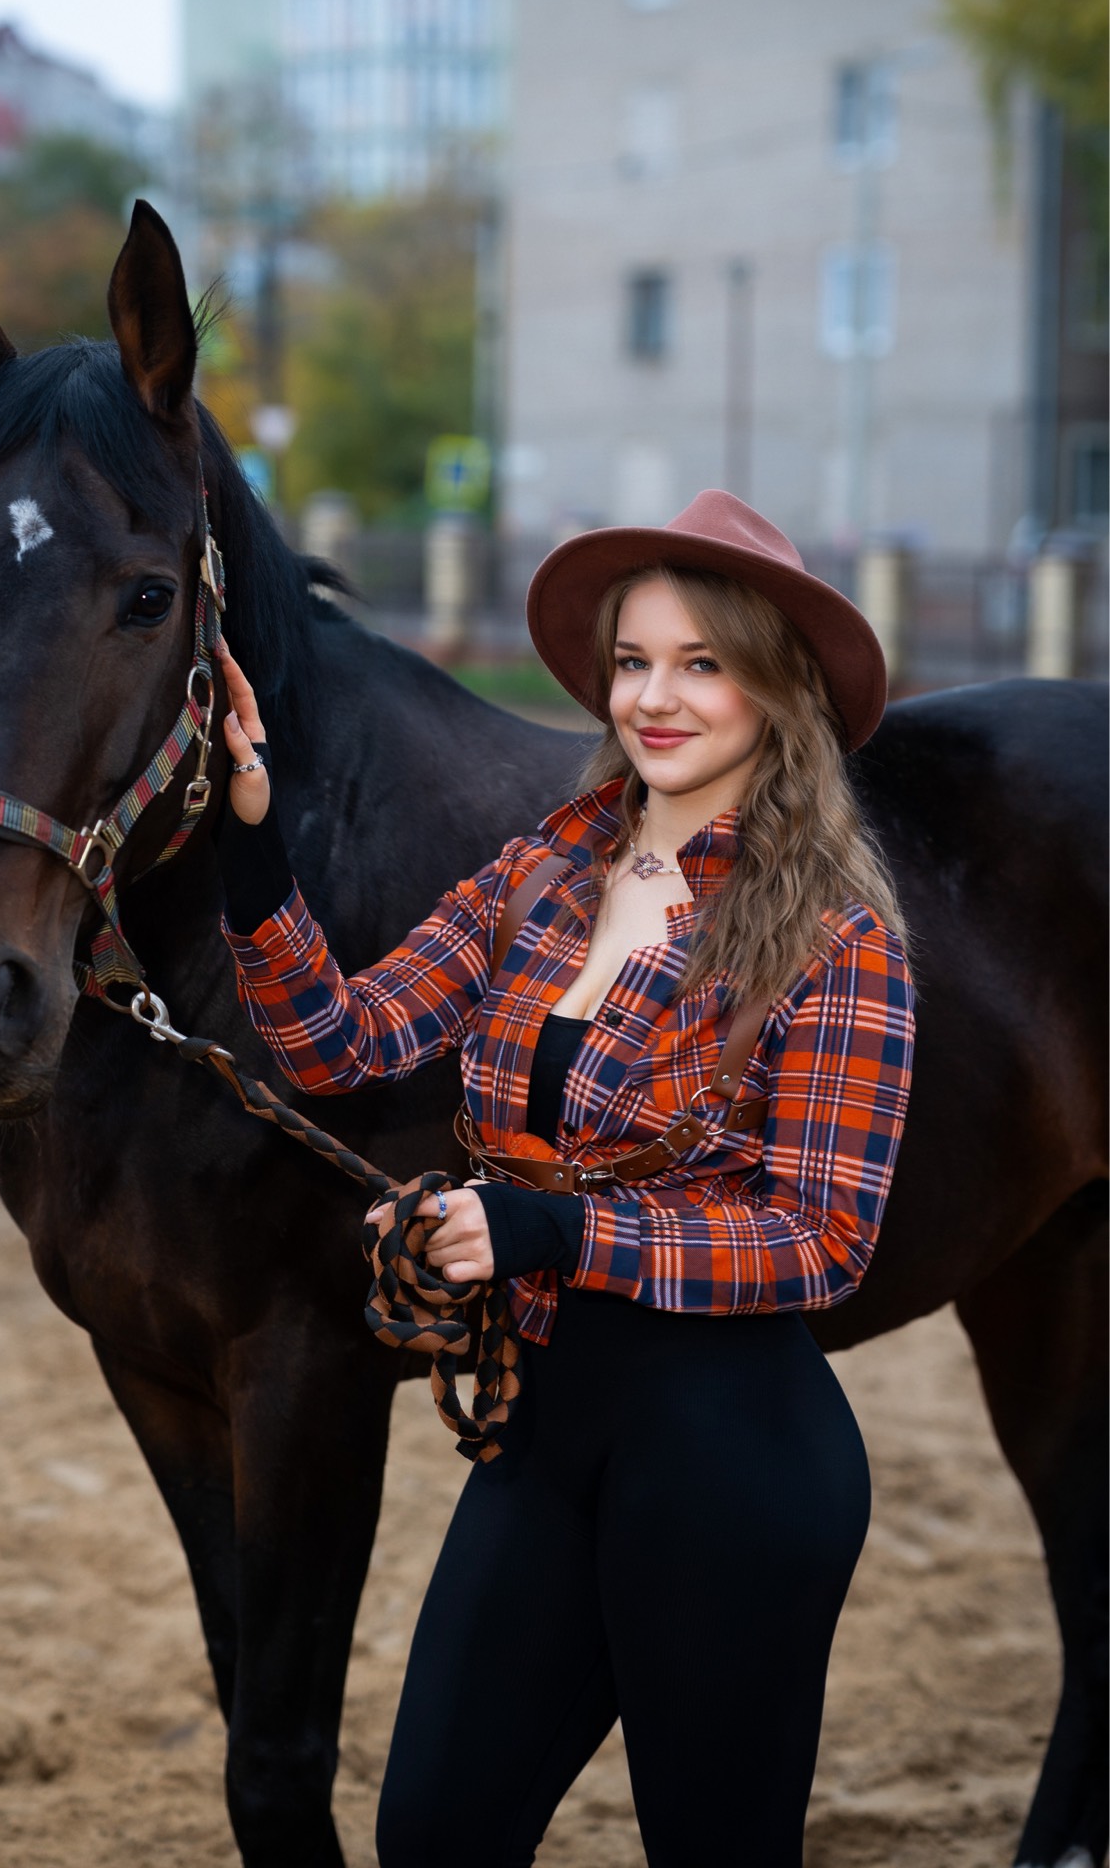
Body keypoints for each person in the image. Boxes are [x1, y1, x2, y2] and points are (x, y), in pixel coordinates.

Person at [214, 491, 915, 1868]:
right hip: (539, 1442)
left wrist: (547, 1229)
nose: (654, 699)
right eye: (633, 661)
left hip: (732, 1465)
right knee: (431, 1832)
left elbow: (819, 1242)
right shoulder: (546, 867)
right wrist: (249, 842)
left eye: (702, 664)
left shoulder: (835, 936)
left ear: (779, 691)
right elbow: (336, 1044)